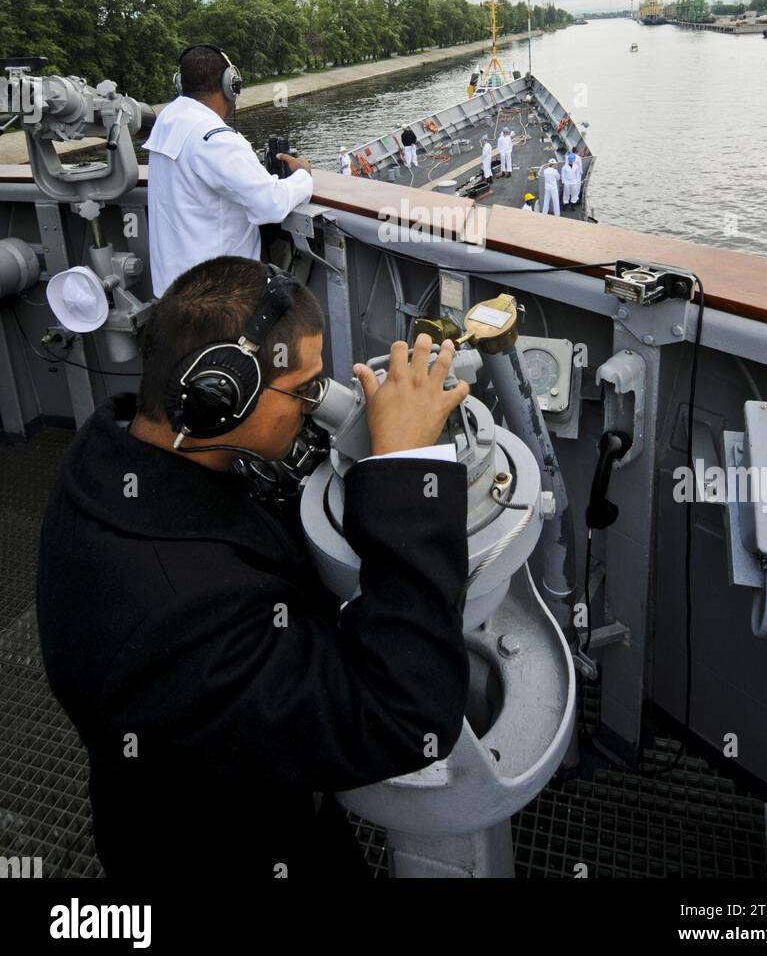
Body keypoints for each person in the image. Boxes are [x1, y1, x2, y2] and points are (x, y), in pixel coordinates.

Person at [37, 256, 471, 881]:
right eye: (304, 391)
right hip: (224, 847)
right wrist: (406, 467)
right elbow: (406, 715)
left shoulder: (110, 461)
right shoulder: (180, 621)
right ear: (220, 394)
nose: (314, 406)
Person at [144, 45, 313, 297]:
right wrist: (303, 175)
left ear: (181, 84)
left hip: (172, 291)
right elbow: (271, 203)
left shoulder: (168, 120)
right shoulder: (215, 138)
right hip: (217, 298)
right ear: (230, 85)